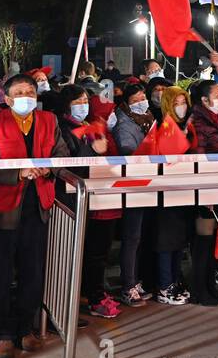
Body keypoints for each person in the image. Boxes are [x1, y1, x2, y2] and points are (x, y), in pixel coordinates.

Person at [0, 74, 68, 358]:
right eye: (20, 91)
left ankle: (25, 328)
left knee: (32, 271)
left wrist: (48, 169)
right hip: (3, 208)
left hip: (37, 205)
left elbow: (61, 154)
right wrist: (17, 173)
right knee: (0, 273)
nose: (27, 95)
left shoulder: (49, 121)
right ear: (7, 98)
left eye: (31, 91)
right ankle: (2, 333)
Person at [54, 83, 122, 320]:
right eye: (77, 102)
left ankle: (92, 294)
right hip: (74, 202)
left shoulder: (89, 127)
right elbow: (70, 164)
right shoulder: (63, 129)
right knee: (80, 254)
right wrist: (95, 151)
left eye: (85, 101)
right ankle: (84, 300)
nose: (83, 106)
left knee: (96, 252)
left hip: (98, 199)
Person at [146, 85, 193, 305]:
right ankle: (164, 286)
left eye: (184, 103)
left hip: (183, 191)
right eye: (176, 103)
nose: (181, 107)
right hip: (166, 192)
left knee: (178, 241)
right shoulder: (164, 127)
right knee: (165, 241)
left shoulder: (186, 126)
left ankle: (174, 281)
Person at [112, 82, 155, 306]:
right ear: (127, 103)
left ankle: (135, 280)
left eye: (143, 97)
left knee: (140, 237)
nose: (141, 103)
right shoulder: (124, 124)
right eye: (135, 100)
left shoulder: (147, 118)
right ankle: (127, 285)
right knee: (132, 238)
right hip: (133, 184)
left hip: (147, 182)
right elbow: (127, 150)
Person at [186, 79, 218, 305]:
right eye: (217, 95)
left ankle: (209, 286)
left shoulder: (215, 119)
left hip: (217, 187)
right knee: (203, 241)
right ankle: (200, 291)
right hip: (205, 191)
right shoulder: (198, 122)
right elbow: (199, 159)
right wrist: (206, 192)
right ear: (204, 100)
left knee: (212, 241)